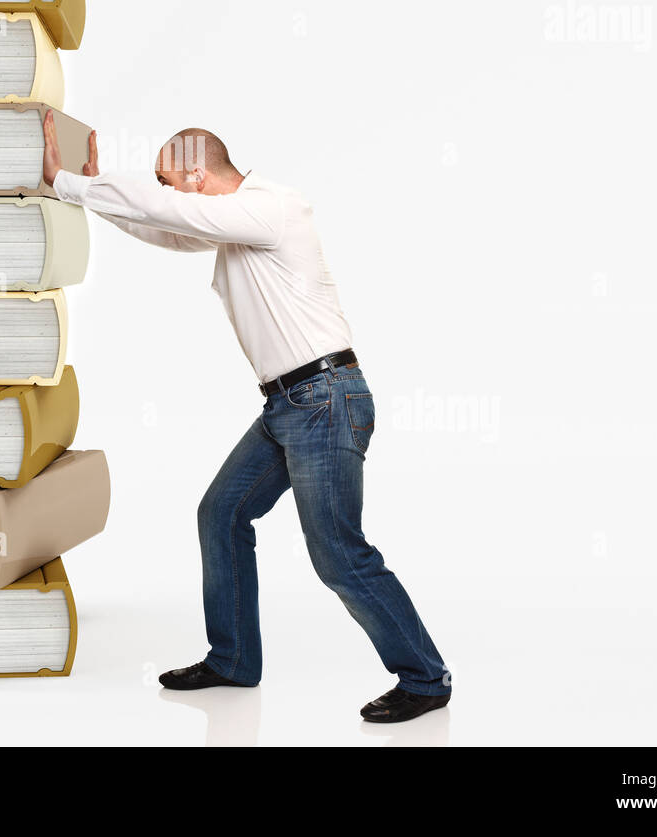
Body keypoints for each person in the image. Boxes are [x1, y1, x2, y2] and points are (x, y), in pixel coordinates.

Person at [42, 115, 452, 723]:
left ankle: (425, 676)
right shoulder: (232, 227)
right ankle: (233, 660)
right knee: (222, 512)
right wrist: (90, 191)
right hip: (290, 405)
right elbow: (167, 227)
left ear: (197, 173)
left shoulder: (273, 206)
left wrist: (69, 183)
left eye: (166, 179)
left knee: (337, 552)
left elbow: (172, 215)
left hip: (326, 399)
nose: (164, 191)